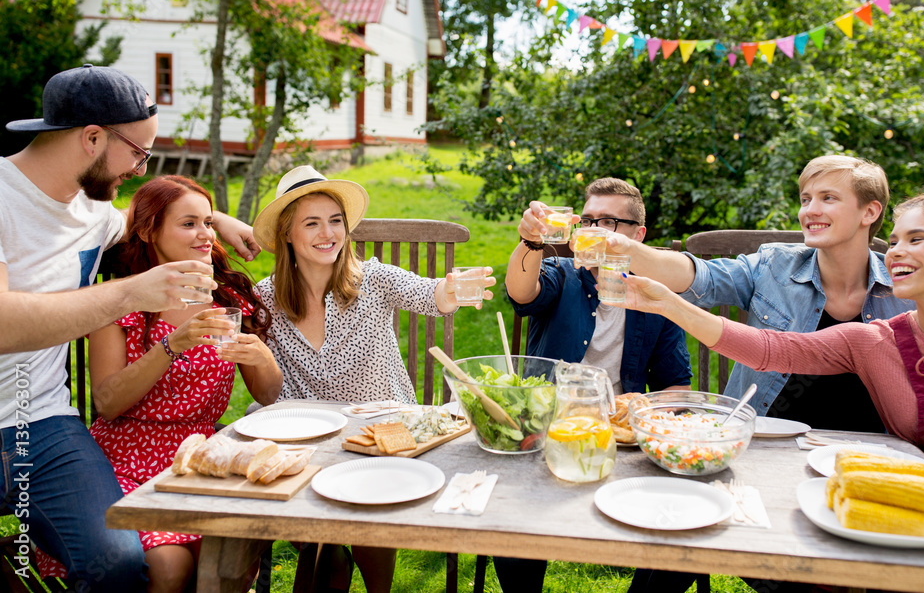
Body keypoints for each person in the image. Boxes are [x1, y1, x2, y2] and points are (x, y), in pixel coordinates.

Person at [614, 176, 924, 534]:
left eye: (915, 240)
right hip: (917, 525)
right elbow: (771, 348)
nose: (896, 253)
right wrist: (667, 303)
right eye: (895, 242)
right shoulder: (873, 340)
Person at [0, 65, 259, 591]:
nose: (142, 167)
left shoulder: (93, 211)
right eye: (138, 152)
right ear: (92, 138)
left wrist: (219, 219)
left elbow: (148, 217)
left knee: (118, 560)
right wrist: (129, 293)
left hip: (41, 424)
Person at [251, 165, 495, 593]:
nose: (328, 233)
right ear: (287, 234)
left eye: (335, 221)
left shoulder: (374, 279)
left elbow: (429, 293)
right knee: (313, 539)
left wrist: (451, 291)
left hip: (382, 434)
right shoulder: (264, 298)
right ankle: (327, 553)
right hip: (306, 440)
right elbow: (261, 383)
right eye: (312, 223)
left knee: (367, 521)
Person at [41, 176, 282, 592]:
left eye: (208, 224)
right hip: (126, 461)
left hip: (200, 459)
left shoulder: (227, 300)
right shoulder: (121, 301)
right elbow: (107, 402)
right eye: (188, 224)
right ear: (149, 231)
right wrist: (171, 345)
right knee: (169, 567)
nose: (205, 235)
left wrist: (263, 359)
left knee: (227, 561)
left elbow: (266, 394)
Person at [607, 155, 913, 432]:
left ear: (869, 212)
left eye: (828, 198)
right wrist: (627, 248)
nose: (810, 210)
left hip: (870, 449)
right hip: (765, 439)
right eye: (805, 199)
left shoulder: (905, 290)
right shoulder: (774, 266)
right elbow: (699, 276)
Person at [497, 177, 692, 593]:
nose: (595, 230)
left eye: (610, 222)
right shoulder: (563, 275)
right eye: (588, 220)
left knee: (685, 524)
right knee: (508, 512)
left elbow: (677, 385)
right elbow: (520, 292)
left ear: (639, 235)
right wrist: (530, 242)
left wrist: (641, 408)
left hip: (623, 439)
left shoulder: (657, 296)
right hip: (546, 429)